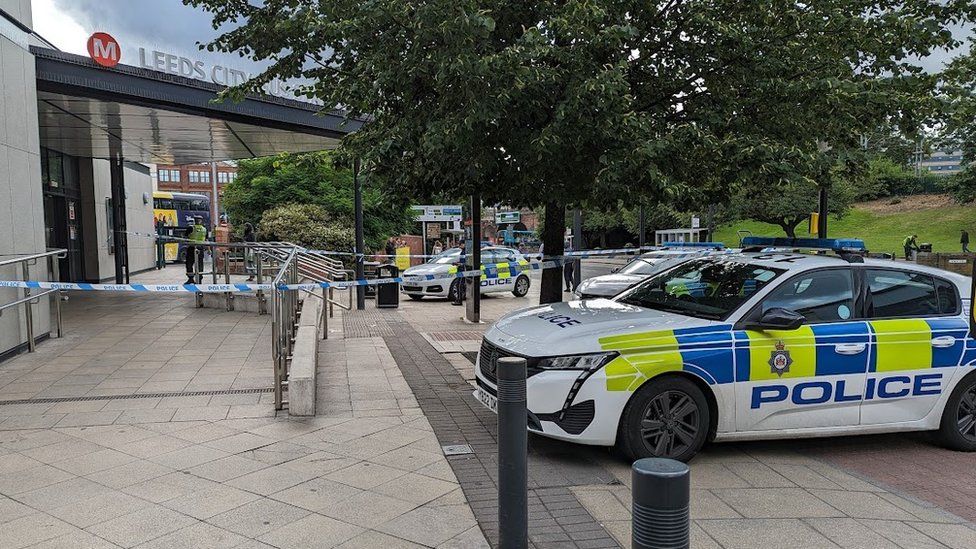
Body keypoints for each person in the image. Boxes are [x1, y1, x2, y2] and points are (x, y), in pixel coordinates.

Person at [185, 216, 207, 284]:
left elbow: (185, 237)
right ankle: (199, 280)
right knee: (200, 265)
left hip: (192, 248)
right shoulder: (204, 229)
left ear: (194, 220)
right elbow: (206, 239)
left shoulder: (191, 228)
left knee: (189, 264)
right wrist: (209, 249)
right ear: (201, 221)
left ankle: (191, 279)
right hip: (200, 248)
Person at [451, 239, 467, 305]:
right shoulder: (463, 251)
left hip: (462, 271)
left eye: (460, 244)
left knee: (459, 285)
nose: (459, 246)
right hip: (461, 270)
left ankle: (459, 300)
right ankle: (459, 299)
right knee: (459, 285)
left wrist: (457, 264)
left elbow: (465, 263)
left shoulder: (465, 252)